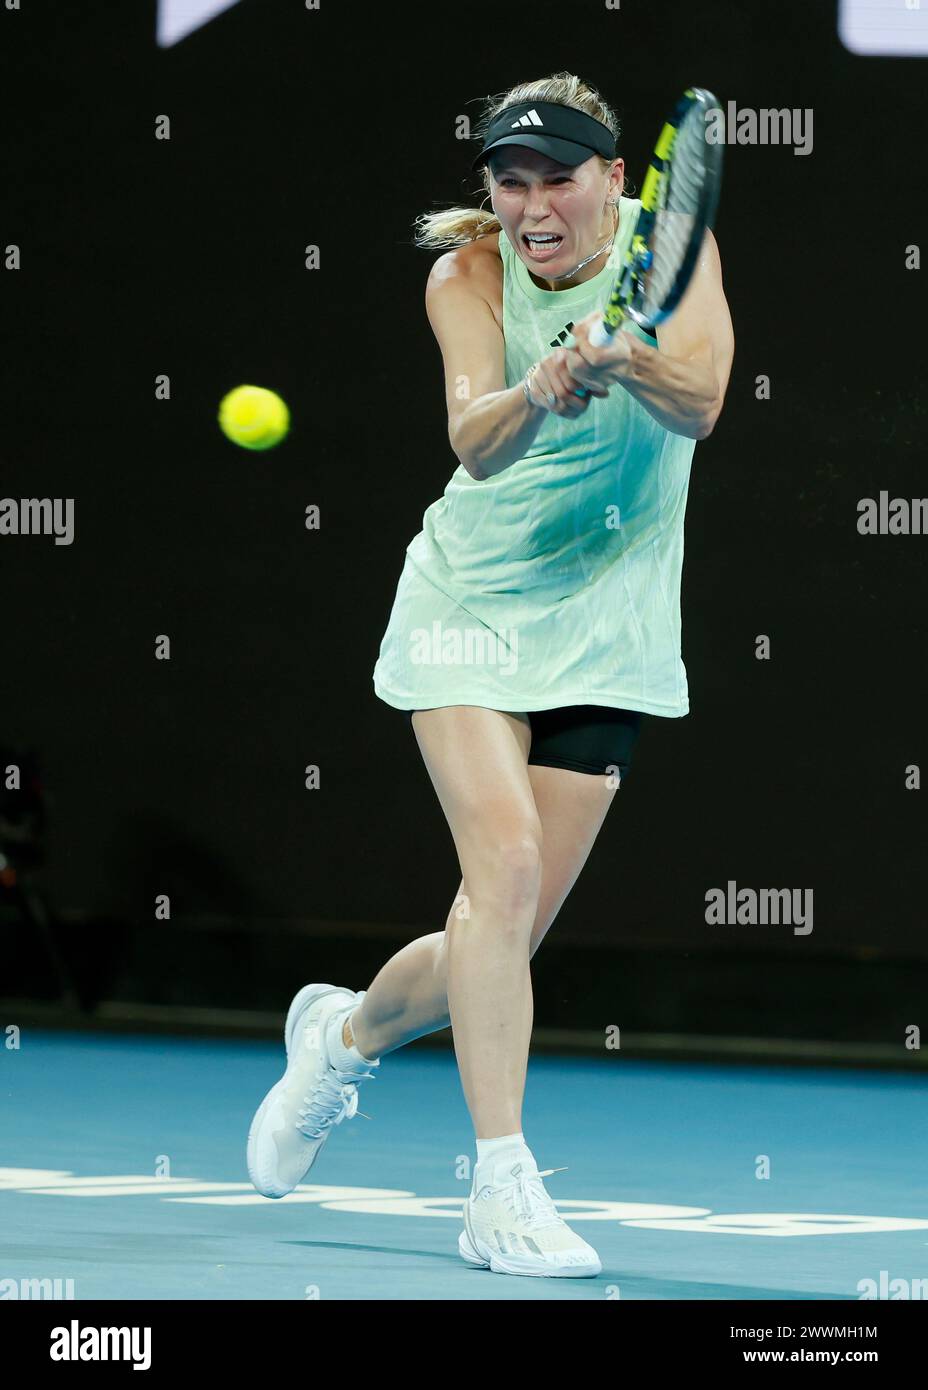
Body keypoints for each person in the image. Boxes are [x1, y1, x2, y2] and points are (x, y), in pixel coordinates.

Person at [247, 71, 735, 1279]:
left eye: (556, 178)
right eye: (508, 181)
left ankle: (342, 1037)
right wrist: (544, 380)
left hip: (609, 623)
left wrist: (624, 357)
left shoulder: (674, 246)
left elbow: (706, 403)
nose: (530, 205)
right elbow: (473, 440)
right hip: (470, 608)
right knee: (503, 865)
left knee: (495, 936)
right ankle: (499, 1186)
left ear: (615, 181)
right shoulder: (464, 277)